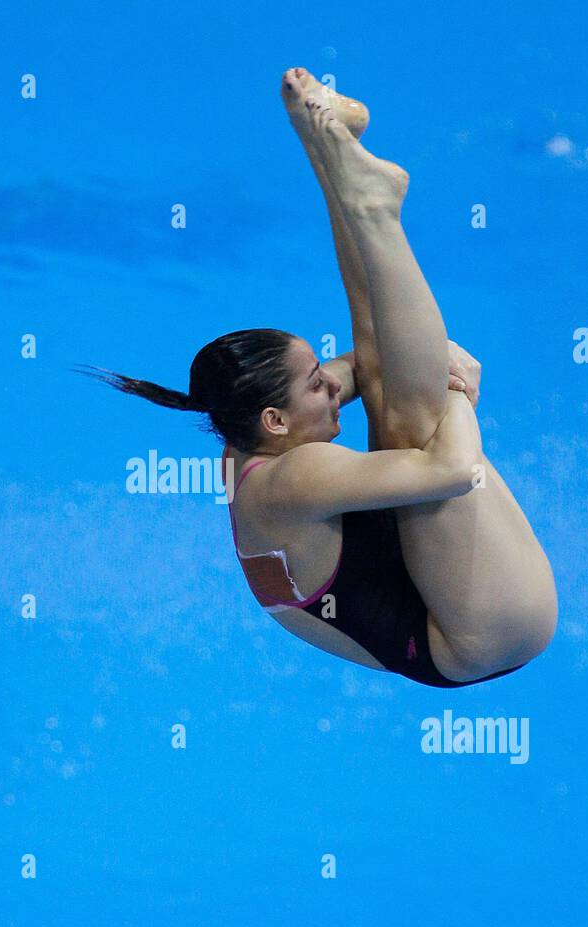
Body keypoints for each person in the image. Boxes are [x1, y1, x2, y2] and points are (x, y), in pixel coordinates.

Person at [79, 69, 556, 687]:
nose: (334, 386)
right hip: (483, 633)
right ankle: (366, 203)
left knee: (384, 367)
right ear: (275, 420)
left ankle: (333, 159)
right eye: (315, 383)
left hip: (444, 596)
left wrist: (405, 368)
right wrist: (462, 392)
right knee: (422, 419)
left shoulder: (249, 439)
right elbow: (455, 471)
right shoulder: (294, 475)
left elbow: (366, 360)